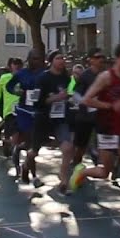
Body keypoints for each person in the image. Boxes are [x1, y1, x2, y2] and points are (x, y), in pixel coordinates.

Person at [71, 41, 120, 230]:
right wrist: (110, 106)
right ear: (117, 59)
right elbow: (86, 99)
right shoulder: (106, 77)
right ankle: (82, 172)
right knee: (104, 172)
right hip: (106, 129)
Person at [26, 51, 73, 191]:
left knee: (68, 148)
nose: (62, 61)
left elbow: (67, 94)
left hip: (60, 118)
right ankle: (25, 165)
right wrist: (56, 98)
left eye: (63, 58)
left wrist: (68, 99)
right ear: (51, 61)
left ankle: (63, 179)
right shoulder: (42, 78)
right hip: (43, 118)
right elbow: (37, 102)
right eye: (58, 58)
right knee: (34, 152)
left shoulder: (66, 78)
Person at [5, 49, 44, 182]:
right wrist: (17, 91)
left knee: (32, 145)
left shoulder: (43, 74)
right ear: (29, 59)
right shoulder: (22, 73)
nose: (36, 61)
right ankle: (32, 175)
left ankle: (19, 150)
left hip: (38, 112)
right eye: (34, 59)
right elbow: (9, 86)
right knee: (31, 144)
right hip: (24, 112)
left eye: (38, 59)